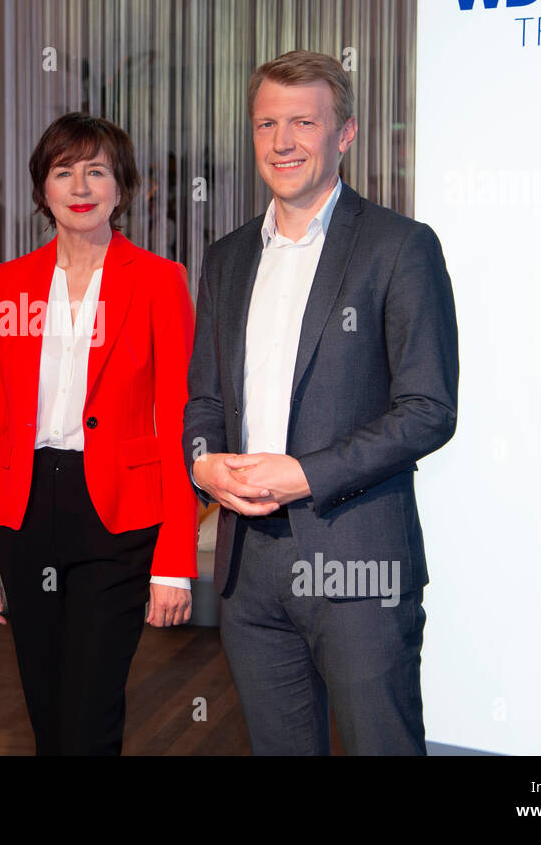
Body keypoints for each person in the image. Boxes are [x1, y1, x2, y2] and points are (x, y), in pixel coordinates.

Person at [182, 50, 459, 755]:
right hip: (248, 567)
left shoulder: (400, 247)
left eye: (304, 121)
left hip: (359, 558)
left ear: (345, 134)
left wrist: (305, 474)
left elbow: (429, 408)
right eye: (266, 123)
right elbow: (205, 400)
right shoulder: (227, 257)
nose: (282, 141)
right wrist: (203, 465)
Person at [0, 111, 198, 755]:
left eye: (97, 170)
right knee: (45, 704)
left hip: (118, 518)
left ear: (121, 186)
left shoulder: (158, 280)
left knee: (91, 709)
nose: (81, 185)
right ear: (43, 189)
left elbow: (180, 420)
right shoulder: (9, 284)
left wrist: (175, 562)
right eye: (63, 171)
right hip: (25, 511)